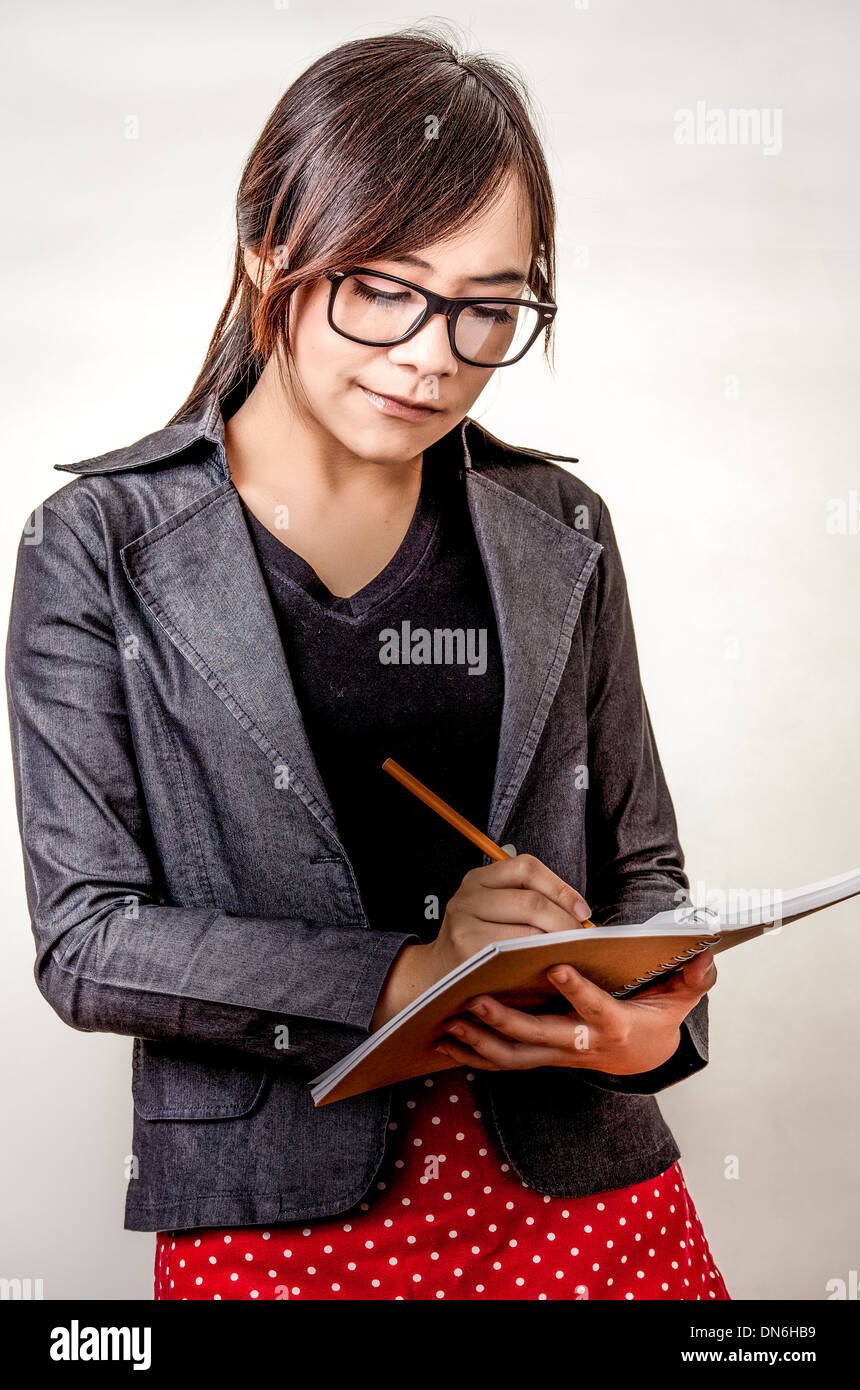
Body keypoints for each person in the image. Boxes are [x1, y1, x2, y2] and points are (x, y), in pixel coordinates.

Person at [5, 25, 729, 1301]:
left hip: (592, 1201)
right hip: (278, 1226)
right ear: (268, 251)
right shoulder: (97, 544)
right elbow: (89, 939)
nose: (430, 351)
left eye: (487, 306)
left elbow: (644, 874)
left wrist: (646, 1027)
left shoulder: (558, 526)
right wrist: (417, 971)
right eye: (383, 287)